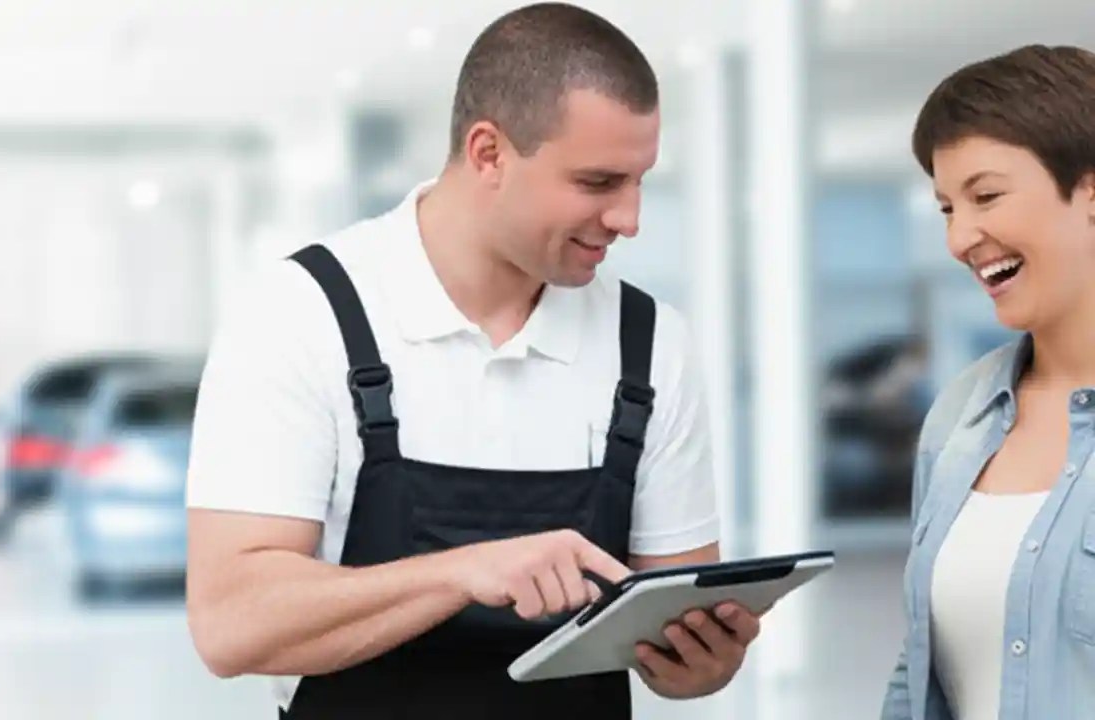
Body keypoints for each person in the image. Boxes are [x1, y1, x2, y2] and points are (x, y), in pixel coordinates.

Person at [184, 4, 761, 718]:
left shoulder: (650, 343)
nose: (630, 219)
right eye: (598, 183)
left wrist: (701, 663)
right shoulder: (301, 314)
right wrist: (466, 571)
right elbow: (229, 626)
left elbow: (677, 655)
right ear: (488, 152)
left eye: (640, 180)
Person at [882, 45, 1095, 720]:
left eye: (986, 195)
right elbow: (917, 669)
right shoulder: (961, 414)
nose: (959, 237)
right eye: (947, 207)